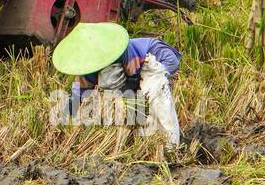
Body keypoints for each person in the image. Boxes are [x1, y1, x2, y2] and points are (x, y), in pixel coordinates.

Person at [53, 22, 181, 145]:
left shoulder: (125, 53)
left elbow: (171, 63)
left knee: (154, 90)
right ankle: (143, 137)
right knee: (129, 102)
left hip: (155, 56)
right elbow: (77, 96)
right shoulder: (87, 72)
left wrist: (132, 88)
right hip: (131, 78)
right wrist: (63, 116)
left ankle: (170, 143)